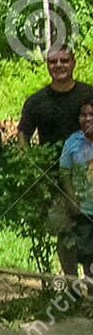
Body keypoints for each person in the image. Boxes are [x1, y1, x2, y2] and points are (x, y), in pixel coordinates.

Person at [19, 47, 93, 275]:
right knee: (65, 233)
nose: (59, 65)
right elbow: (23, 135)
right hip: (53, 180)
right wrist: (33, 169)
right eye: (53, 61)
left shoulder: (89, 94)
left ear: (73, 62)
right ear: (47, 65)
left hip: (89, 176)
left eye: (64, 60)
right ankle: (71, 284)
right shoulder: (36, 101)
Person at [58, 101, 93, 277]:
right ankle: (89, 296)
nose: (88, 119)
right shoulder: (73, 142)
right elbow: (65, 172)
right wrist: (71, 198)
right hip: (84, 209)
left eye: (91, 115)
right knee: (87, 255)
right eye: (84, 115)